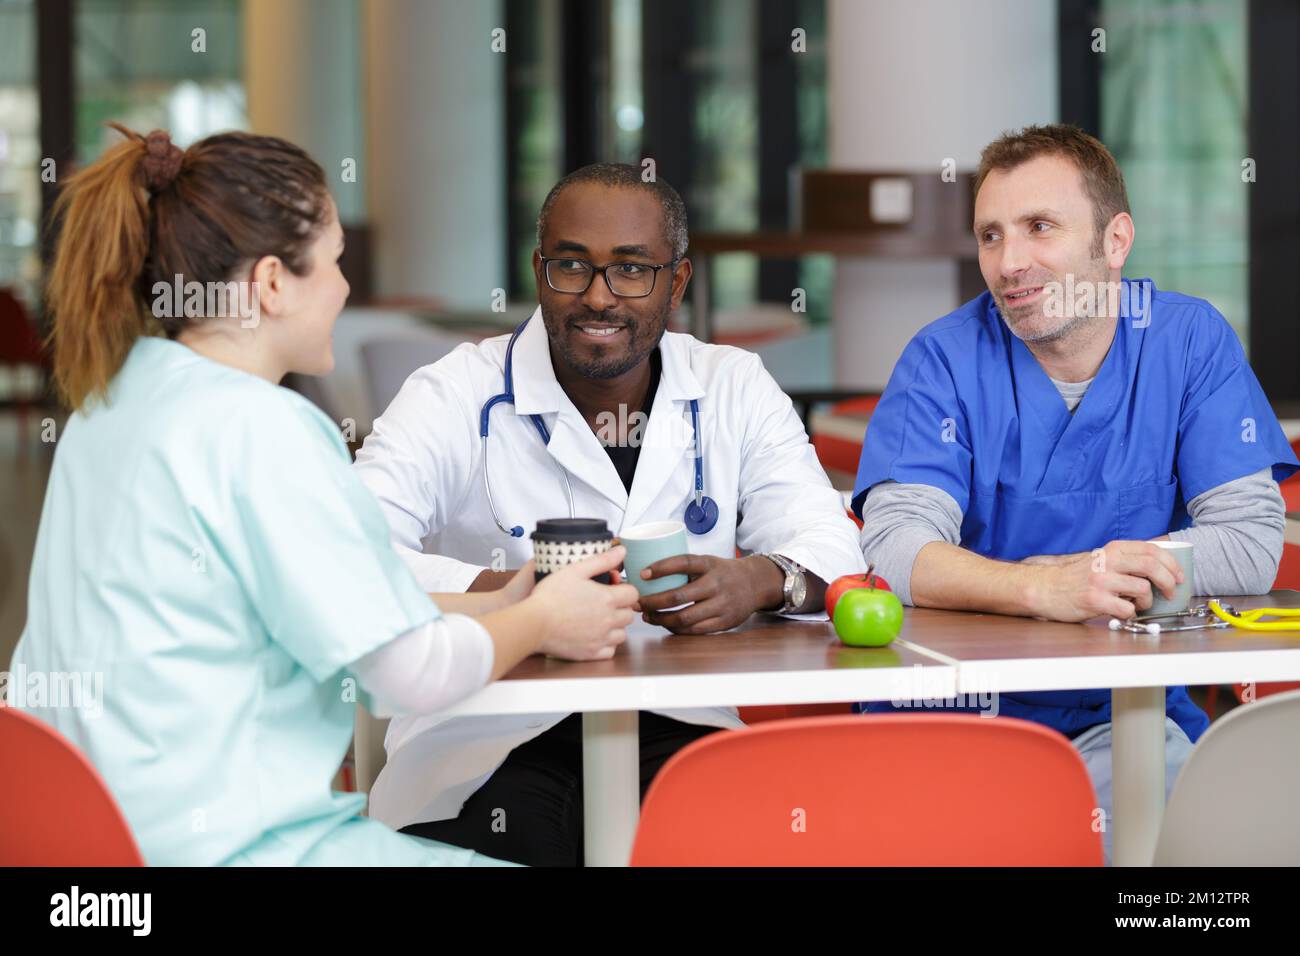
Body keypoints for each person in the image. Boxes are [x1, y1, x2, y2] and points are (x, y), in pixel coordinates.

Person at [9, 125, 639, 866]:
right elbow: (408, 675)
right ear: (273, 283)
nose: (344, 287)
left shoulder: (107, 408)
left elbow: (321, 605)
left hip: (84, 850)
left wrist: (505, 604)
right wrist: (539, 624)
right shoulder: (264, 427)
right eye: (335, 262)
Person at [353, 163, 866, 865]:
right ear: (538, 271)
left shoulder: (730, 386)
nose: (599, 297)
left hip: (676, 719)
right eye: (572, 266)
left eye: (631, 270)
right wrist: (517, 598)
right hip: (486, 729)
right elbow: (350, 551)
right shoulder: (454, 394)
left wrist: (758, 580)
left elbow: (832, 540)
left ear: (676, 283)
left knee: (737, 843)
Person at [853, 124, 1299, 862]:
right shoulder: (943, 358)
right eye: (990, 235)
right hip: (951, 709)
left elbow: (1251, 544)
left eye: (1040, 228)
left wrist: (1083, 575)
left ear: (1115, 240)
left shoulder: (1188, 343)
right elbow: (897, 550)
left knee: (1211, 864)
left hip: (1123, 711)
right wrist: (1041, 591)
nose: (1009, 262)